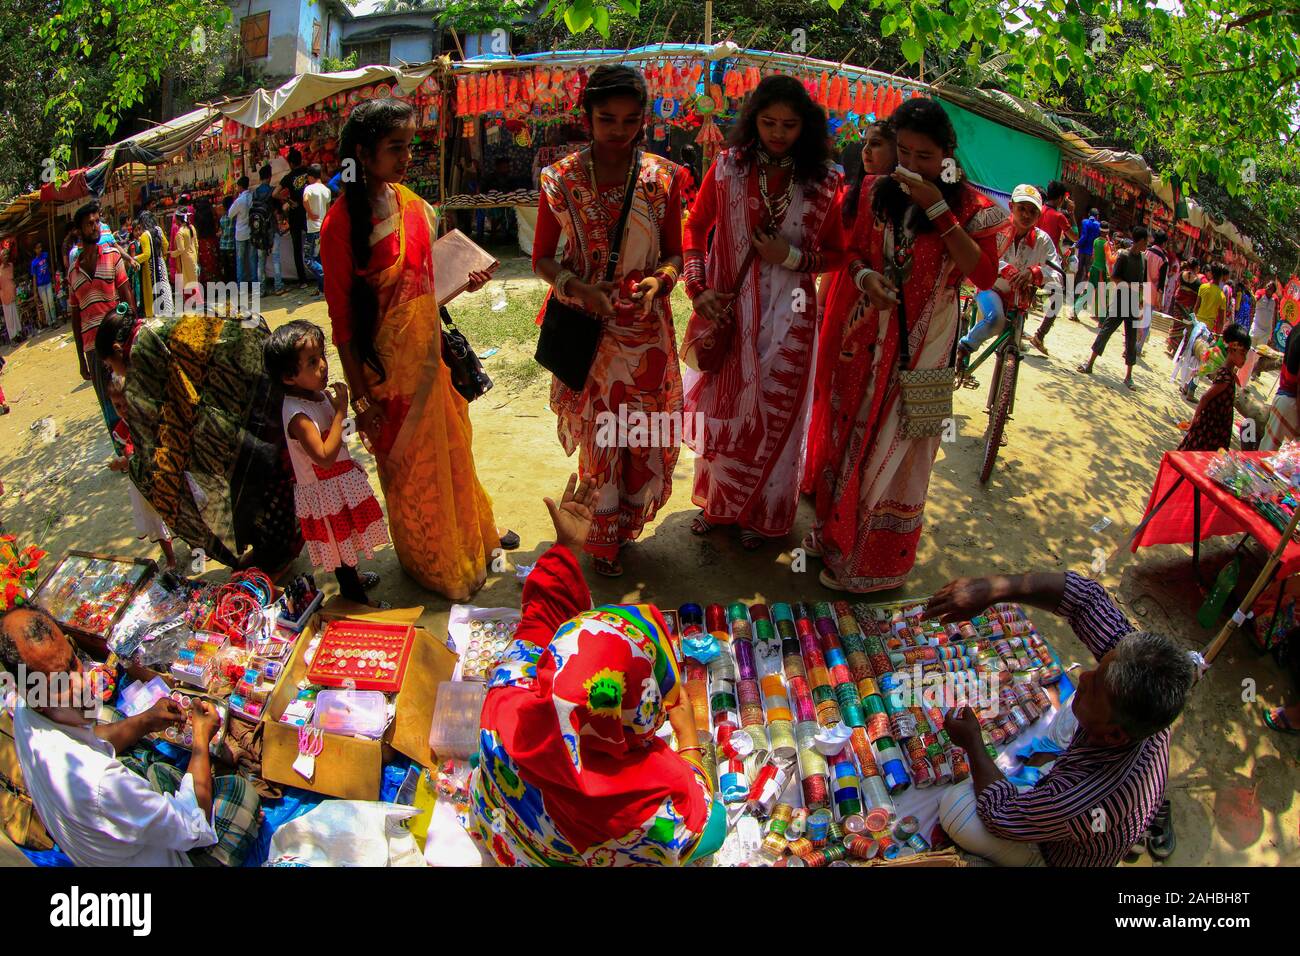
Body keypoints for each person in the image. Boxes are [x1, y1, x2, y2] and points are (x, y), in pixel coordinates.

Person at [470, 473, 726, 867]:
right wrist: (689, 738)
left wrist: (568, 547)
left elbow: (537, 624)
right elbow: (707, 825)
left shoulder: (508, 700)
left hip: (513, 837)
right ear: (641, 711)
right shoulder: (648, 798)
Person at [806, 98, 1005, 592]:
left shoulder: (973, 209)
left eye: (926, 156)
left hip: (932, 347)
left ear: (947, 155)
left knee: (909, 450)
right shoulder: (876, 192)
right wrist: (867, 275)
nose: (913, 166)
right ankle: (834, 538)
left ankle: (877, 564)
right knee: (849, 432)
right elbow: (850, 254)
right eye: (907, 154)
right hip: (868, 339)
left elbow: (982, 273)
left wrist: (936, 208)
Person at [321, 98, 512, 600]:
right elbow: (343, 325)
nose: (407, 158)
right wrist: (362, 403)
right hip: (387, 381)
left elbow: (424, 284)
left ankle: (472, 538)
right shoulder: (340, 225)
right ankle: (434, 562)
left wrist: (463, 281)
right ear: (362, 154)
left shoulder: (411, 204)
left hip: (431, 364)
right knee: (414, 478)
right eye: (395, 148)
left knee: (454, 455)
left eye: (410, 146)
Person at [531, 64, 689, 578]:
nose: (618, 130)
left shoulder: (663, 178)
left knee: (639, 435)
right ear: (587, 117)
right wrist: (578, 290)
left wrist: (659, 283)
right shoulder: (561, 180)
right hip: (590, 336)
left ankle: (622, 528)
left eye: (629, 120)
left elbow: (675, 255)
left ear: (643, 120)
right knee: (603, 438)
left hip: (647, 334)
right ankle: (599, 538)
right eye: (606, 119)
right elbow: (542, 260)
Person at [682, 74, 846, 552]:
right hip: (732, 315)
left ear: (806, 128)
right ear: (753, 121)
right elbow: (696, 226)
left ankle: (765, 513)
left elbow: (838, 253)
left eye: (789, 125)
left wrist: (790, 257)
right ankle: (719, 505)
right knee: (726, 408)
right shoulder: (728, 167)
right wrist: (697, 289)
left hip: (792, 319)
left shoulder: (824, 181)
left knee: (777, 417)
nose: (777, 133)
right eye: (768, 122)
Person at [930, 570, 1194, 865]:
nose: (1082, 678)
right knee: (1069, 712)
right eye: (1096, 669)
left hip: (1065, 855)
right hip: (1109, 801)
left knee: (956, 808)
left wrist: (973, 744)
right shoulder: (1144, 695)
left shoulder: (1085, 797)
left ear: (1114, 734)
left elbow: (1000, 814)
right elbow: (1085, 599)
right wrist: (992, 589)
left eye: (1095, 687)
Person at [3, 604, 260, 866]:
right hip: (166, 858)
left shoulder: (25, 709)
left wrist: (146, 721)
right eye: (59, 683)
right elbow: (194, 827)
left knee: (102, 716)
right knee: (242, 795)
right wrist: (200, 741)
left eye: (72, 663)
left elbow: (94, 738)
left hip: (105, 824)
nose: (80, 685)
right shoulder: (101, 783)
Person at [94, 306, 302, 573]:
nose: (117, 373)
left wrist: (138, 468)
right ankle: (276, 547)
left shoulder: (141, 353)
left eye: (111, 365)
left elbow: (151, 441)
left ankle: (276, 554)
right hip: (255, 388)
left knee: (252, 480)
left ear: (117, 349)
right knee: (262, 475)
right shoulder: (158, 325)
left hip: (244, 408)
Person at [263, 320, 389, 606]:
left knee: (346, 541)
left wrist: (359, 424)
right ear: (288, 376)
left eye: (321, 356)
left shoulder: (316, 396)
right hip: (324, 492)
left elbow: (336, 432)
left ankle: (354, 581)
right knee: (340, 550)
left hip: (335, 488)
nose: (323, 365)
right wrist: (341, 410)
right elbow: (324, 456)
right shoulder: (297, 415)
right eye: (311, 362)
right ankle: (355, 598)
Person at [956, 183, 1060, 362]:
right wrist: (1004, 269)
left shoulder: (1043, 241)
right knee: (996, 319)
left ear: (1039, 214)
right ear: (1012, 206)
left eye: (1032, 211)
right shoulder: (996, 228)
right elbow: (977, 254)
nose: (1026, 215)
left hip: (1020, 301)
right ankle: (963, 347)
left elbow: (1057, 273)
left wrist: (1034, 273)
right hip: (991, 289)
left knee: (1013, 341)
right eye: (1022, 209)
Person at [68, 201, 136, 435]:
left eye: (97, 222)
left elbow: (128, 300)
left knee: (130, 395)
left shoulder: (113, 257)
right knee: (109, 405)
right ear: (79, 230)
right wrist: (81, 358)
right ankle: (122, 451)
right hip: (92, 349)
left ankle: (139, 448)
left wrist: (131, 334)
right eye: (89, 224)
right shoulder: (72, 273)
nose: (95, 227)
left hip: (116, 342)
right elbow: (75, 319)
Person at [106, 374, 177, 569]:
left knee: (181, 511)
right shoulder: (121, 430)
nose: (123, 410)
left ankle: (199, 548)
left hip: (165, 473)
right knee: (154, 519)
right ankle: (170, 558)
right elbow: (131, 459)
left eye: (126, 403)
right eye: (117, 406)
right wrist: (122, 463)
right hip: (143, 483)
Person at [1077, 224, 1149, 390]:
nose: (1146, 246)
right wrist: (1130, 286)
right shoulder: (1124, 256)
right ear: (1141, 241)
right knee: (1106, 332)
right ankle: (1090, 364)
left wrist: (1139, 302)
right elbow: (1114, 277)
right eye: (1146, 242)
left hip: (1132, 304)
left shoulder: (1143, 259)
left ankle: (1128, 376)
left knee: (1131, 340)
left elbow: (1142, 283)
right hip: (1120, 301)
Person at [1178, 323, 1250, 452]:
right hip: (1210, 428)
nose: (1244, 359)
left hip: (1217, 427)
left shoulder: (1228, 374)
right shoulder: (1226, 376)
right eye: (1243, 353)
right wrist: (1195, 420)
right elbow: (1205, 398)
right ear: (1232, 349)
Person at [1027, 181, 1076, 348]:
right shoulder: (1059, 216)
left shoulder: (1038, 210)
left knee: (1025, 294)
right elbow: (1075, 236)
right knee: (1057, 298)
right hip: (1048, 263)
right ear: (1062, 198)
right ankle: (1040, 335)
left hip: (1030, 256)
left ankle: (1016, 330)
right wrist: (1072, 214)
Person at [276, 147, 312, 286]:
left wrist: (289, 201)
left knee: (297, 248)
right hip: (309, 212)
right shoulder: (308, 171)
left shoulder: (288, 177)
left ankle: (303, 280)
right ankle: (320, 275)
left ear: (290, 163)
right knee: (314, 244)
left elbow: (275, 193)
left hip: (295, 214)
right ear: (300, 160)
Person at [251, 165, 285, 296]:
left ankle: (261, 290)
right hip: (272, 228)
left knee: (261, 261)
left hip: (259, 232)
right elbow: (279, 210)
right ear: (270, 177)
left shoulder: (255, 193)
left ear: (260, 178)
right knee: (276, 258)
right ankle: (278, 287)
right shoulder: (272, 192)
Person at [133, 211, 172, 319]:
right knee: (163, 288)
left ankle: (153, 315)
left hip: (149, 269)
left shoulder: (145, 235)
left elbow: (147, 254)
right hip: (160, 264)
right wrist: (162, 257)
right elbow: (166, 244)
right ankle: (165, 312)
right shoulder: (158, 230)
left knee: (151, 292)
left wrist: (134, 259)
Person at [1138, 228, 1171, 357]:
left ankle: (1131, 343)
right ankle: (1138, 347)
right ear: (1164, 243)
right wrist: (1159, 300)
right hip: (1152, 292)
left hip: (1141, 287)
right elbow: (1161, 284)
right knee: (1146, 321)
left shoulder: (1147, 251)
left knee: (1137, 317)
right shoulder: (1164, 259)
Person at [301, 164, 331, 295]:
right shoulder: (326, 190)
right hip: (323, 227)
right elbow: (329, 209)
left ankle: (325, 278)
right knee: (318, 257)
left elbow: (305, 200)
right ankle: (321, 288)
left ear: (310, 176)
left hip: (313, 228)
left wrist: (310, 213)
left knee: (308, 259)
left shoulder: (309, 188)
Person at [1168, 256, 1205, 357]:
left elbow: (1178, 287)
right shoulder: (1198, 282)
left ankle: (1171, 345)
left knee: (1175, 324)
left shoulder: (1181, 274)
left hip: (1178, 303)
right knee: (1184, 328)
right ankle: (1176, 350)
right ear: (1197, 267)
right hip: (1188, 307)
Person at [1070, 206, 1101, 319]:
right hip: (1091, 251)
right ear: (1097, 216)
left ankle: (1075, 293)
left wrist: (1077, 244)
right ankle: (1081, 294)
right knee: (1087, 274)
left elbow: (1084, 236)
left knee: (1079, 271)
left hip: (1083, 250)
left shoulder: (1085, 222)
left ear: (1089, 214)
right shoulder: (1098, 225)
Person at [169, 209, 200, 306]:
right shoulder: (191, 228)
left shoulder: (180, 233)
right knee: (193, 281)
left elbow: (180, 250)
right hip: (193, 256)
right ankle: (193, 303)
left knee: (189, 282)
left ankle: (197, 302)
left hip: (186, 260)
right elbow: (196, 245)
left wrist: (171, 253)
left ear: (178, 220)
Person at [227, 176, 254, 285]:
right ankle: (255, 283)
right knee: (252, 259)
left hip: (241, 234)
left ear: (240, 187)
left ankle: (241, 286)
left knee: (240, 261)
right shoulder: (252, 197)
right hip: (251, 232)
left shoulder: (239, 201)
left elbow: (230, 214)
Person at [27, 241, 56, 329]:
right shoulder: (34, 263)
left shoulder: (45, 255)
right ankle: (50, 322)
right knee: (45, 305)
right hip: (40, 286)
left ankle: (54, 320)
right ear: (34, 250)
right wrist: (35, 291)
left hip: (48, 282)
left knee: (51, 302)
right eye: (37, 248)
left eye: (40, 247)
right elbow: (34, 277)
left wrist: (53, 277)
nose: (39, 249)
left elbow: (50, 266)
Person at [194, 200, 221, 291]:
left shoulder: (197, 216)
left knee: (204, 266)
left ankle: (206, 288)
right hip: (212, 241)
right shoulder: (212, 214)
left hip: (202, 243)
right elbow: (217, 226)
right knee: (214, 263)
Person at [0, 244, 19, 344]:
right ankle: (13, 338)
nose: (6, 257)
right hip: (5, 297)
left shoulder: (11, 266)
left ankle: (18, 335)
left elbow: (12, 279)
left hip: (12, 295)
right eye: (4, 255)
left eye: (7, 255)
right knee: (9, 319)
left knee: (15, 316)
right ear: (1, 258)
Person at [217, 198, 236, 283]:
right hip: (231, 245)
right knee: (233, 268)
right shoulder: (234, 217)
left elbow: (221, 231)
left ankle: (227, 286)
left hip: (223, 245)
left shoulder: (223, 218)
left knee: (226, 267)